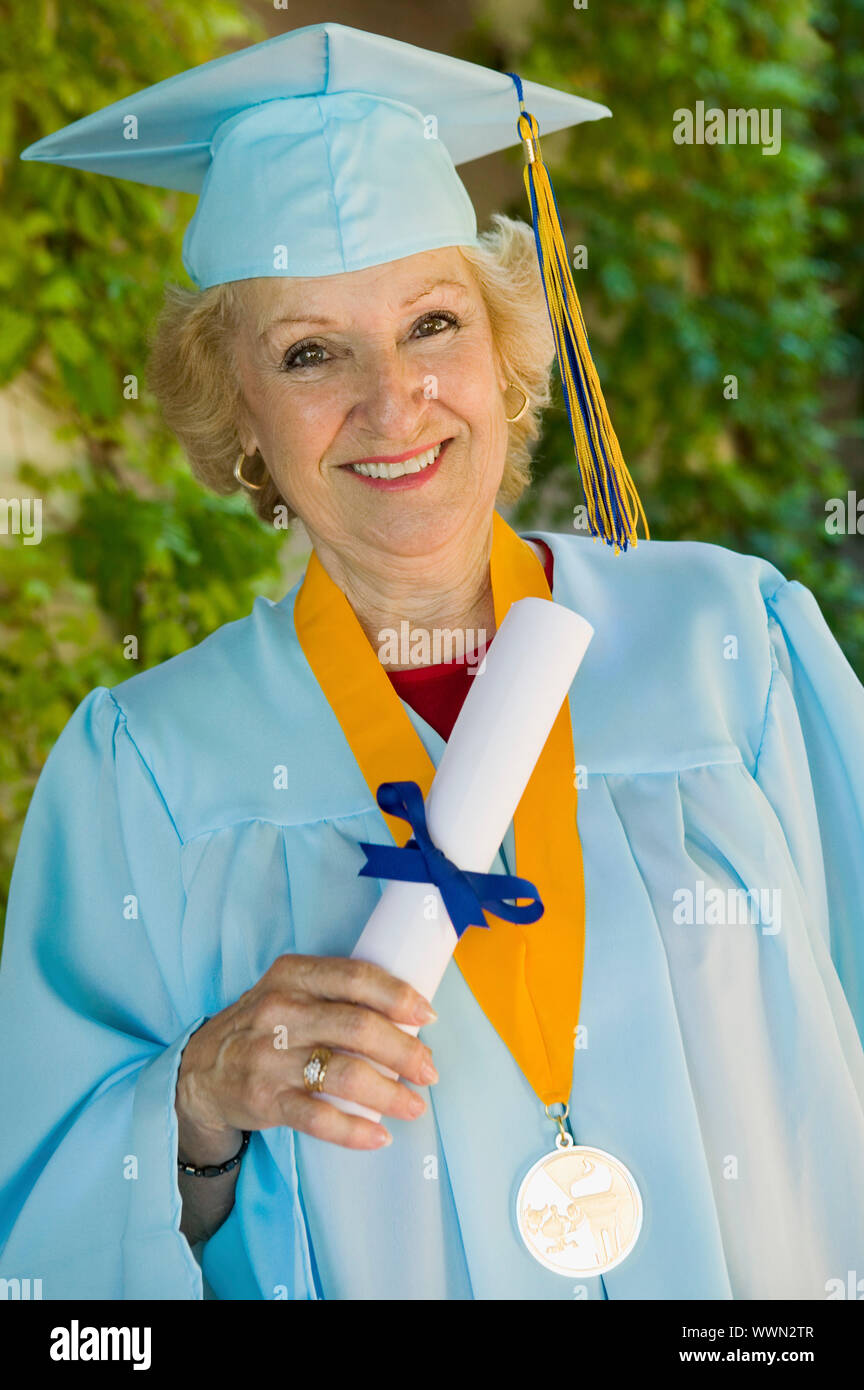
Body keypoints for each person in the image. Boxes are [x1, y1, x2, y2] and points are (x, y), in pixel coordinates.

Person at [1, 22, 863, 1302]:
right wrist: (194, 1099)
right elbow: (46, 1238)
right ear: (238, 412)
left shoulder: (733, 648)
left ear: (504, 354)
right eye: (309, 352)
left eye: (433, 324)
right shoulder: (153, 771)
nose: (393, 400)